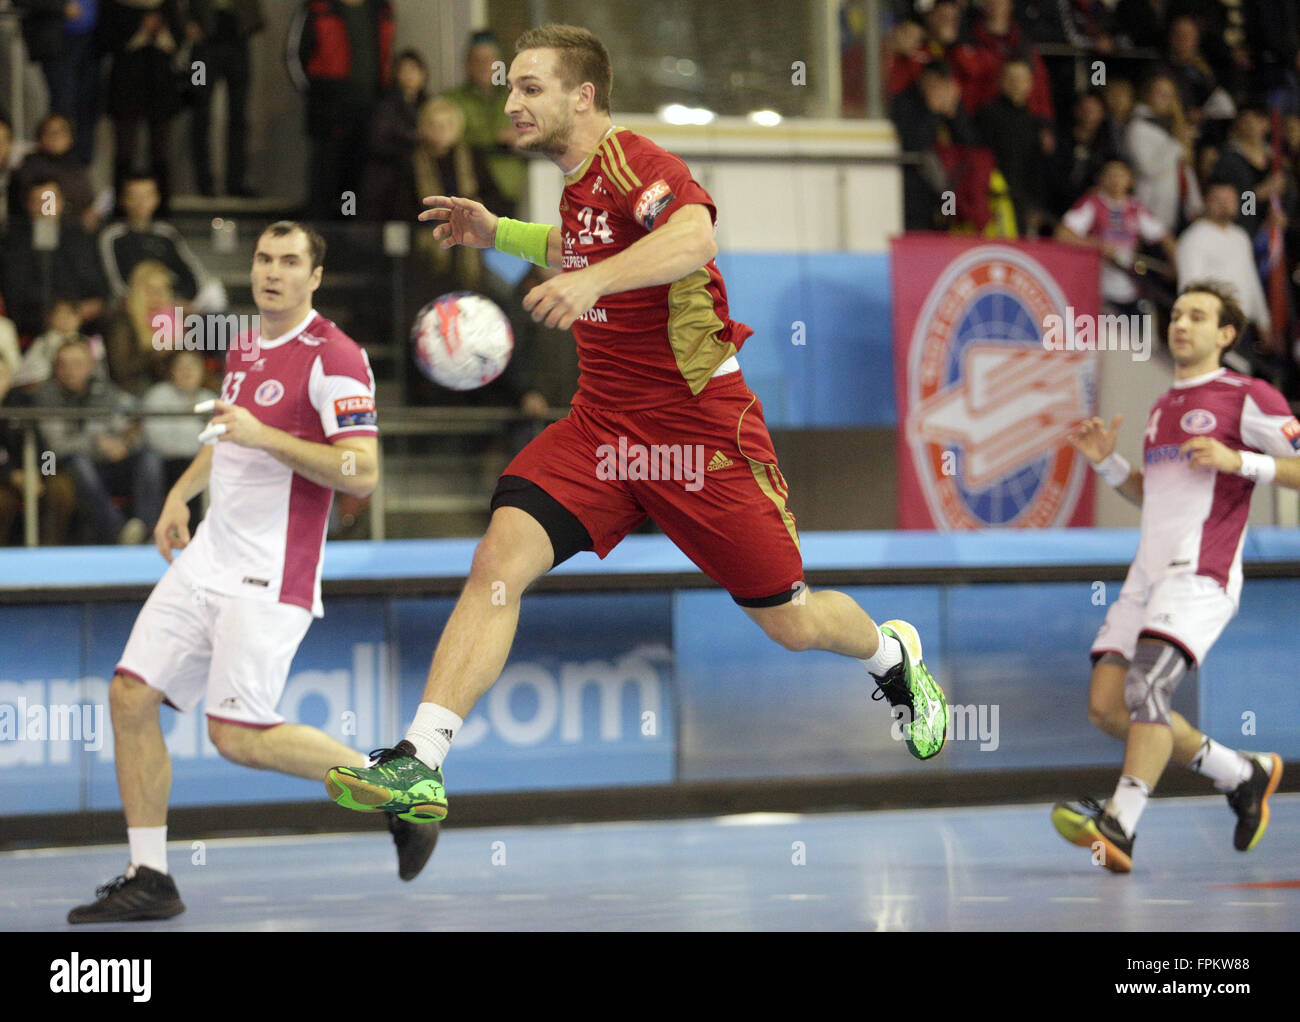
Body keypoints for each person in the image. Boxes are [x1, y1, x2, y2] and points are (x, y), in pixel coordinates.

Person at [325, 24, 950, 828]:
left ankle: (894, 657)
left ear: (583, 96)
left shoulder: (634, 160)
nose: (511, 102)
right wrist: (497, 234)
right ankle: (421, 760)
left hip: (701, 437)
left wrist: (594, 286)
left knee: (791, 623)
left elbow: (694, 235)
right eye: (509, 88)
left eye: (530, 88)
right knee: (500, 558)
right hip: (605, 432)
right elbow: (578, 243)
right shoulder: (578, 186)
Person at [67, 221, 434, 923]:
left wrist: (269, 436)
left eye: (289, 261)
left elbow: (362, 470)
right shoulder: (241, 340)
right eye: (264, 258)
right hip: (208, 556)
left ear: (315, 276)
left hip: (272, 571)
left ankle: (396, 790)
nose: (272, 271)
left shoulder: (338, 357)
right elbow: (231, 433)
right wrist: (182, 491)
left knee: (235, 736)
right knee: (129, 696)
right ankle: (151, 876)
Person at [1052, 281, 1299, 873]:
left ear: (1226, 334)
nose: (1181, 323)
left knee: (1148, 689)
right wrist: (1109, 464)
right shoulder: (1162, 407)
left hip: (1201, 573)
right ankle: (1242, 774)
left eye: (1198, 315)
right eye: (1178, 313)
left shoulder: (1249, 394)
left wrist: (1241, 460)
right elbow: (1155, 495)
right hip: (1146, 577)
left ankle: (1121, 824)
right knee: (1110, 707)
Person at [35, 337, 160, 544]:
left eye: (77, 364)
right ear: (55, 368)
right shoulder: (47, 396)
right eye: (63, 364)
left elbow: (128, 425)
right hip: (60, 467)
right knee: (78, 463)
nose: (70, 370)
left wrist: (125, 443)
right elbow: (56, 446)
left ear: (90, 366)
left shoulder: (105, 391)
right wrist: (97, 443)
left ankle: (150, 531)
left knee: (149, 457)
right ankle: (119, 531)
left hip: (110, 463)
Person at [1056, 158, 1178, 315]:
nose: (1116, 180)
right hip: (1097, 289)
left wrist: (1175, 265)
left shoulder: (1136, 208)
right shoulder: (1092, 203)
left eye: (1121, 175)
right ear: (1101, 179)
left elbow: (1164, 237)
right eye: (1111, 175)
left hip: (1129, 288)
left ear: (1130, 180)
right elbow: (1062, 234)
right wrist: (1097, 246)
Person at [99, 174, 226, 312]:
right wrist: (150, 303)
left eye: (147, 196)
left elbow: (194, 273)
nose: (141, 202)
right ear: (122, 200)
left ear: (156, 199)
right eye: (134, 196)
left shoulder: (167, 233)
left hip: (174, 303)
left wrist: (180, 302)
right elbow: (115, 284)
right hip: (134, 308)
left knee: (219, 315)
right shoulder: (112, 236)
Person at [441, 30, 527, 220]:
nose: (483, 66)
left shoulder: (516, 97)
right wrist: (495, 137)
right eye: (476, 60)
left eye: (489, 59)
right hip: (469, 187)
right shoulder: (453, 99)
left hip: (509, 187)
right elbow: (445, 136)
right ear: (466, 64)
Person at [186, 0, 265, 197]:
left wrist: (250, 21)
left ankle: (236, 182)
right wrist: (187, 22)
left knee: (239, 115)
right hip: (203, 44)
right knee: (200, 111)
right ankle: (204, 184)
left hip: (237, 38)